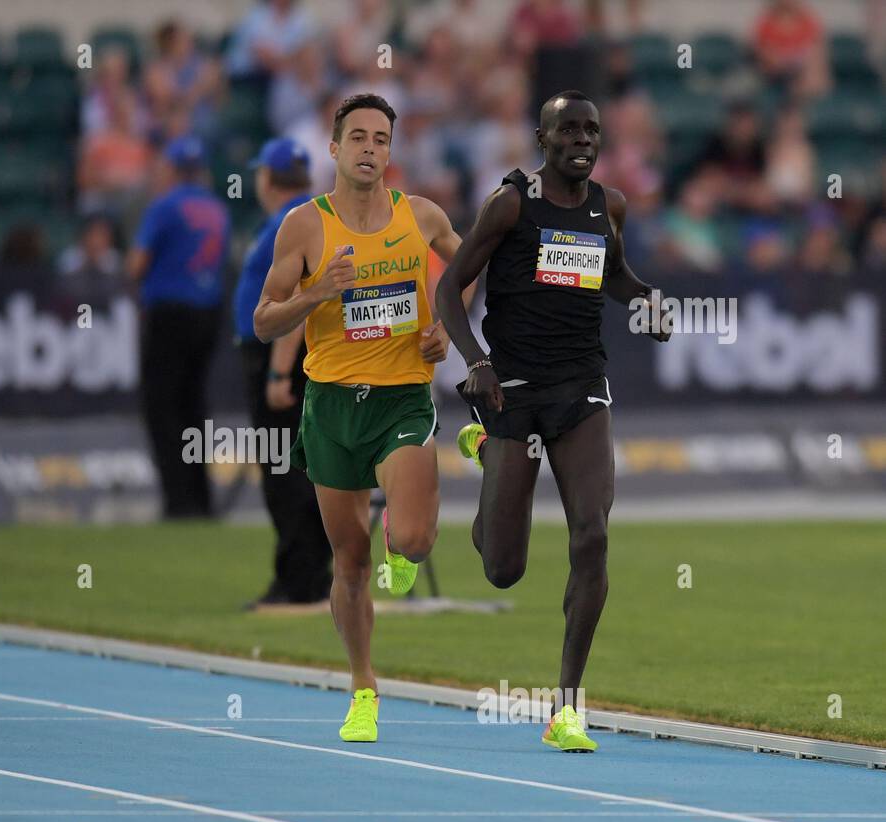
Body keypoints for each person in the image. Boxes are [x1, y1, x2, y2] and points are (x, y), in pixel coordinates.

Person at [434, 91, 671, 753]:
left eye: (592, 129)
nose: (582, 138)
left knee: (592, 534)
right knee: (502, 568)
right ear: (542, 137)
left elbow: (616, 276)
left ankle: (567, 705)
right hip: (513, 391)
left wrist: (646, 301)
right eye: (568, 128)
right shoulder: (511, 204)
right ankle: (486, 448)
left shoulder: (608, 206)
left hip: (582, 390)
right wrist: (475, 360)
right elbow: (449, 287)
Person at [254, 93, 475, 742]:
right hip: (330, 406)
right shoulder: (304, 226)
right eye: (359, 138)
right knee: (347, 564)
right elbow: (265, 318)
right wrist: (318, 292)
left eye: (382, 139)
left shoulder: (422, 217)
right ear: (334, 148)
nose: (370, 149)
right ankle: (363, 685)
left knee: (413, 539)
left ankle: (399, 543)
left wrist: (442, 326)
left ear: (391, 151)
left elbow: (467, 269)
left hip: (402, 398)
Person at [234, 137, 331, 609]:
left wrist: (276, 374)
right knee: (300, 466)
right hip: (291, 357)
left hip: (280, 359)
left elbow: (295, 299)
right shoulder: (308, 217)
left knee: (284, 469)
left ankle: (298, 580)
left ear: (267, 179)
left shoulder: (290, 224)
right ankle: (312, 575)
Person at [127, 135, 231, 519]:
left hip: (169, 310)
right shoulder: (218, 209)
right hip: (208, 312)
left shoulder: (164, 207)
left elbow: (136, 264)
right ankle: (202, 498)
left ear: (171, 169)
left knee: (162, 405)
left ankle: (177, 501)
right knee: (194, 404)